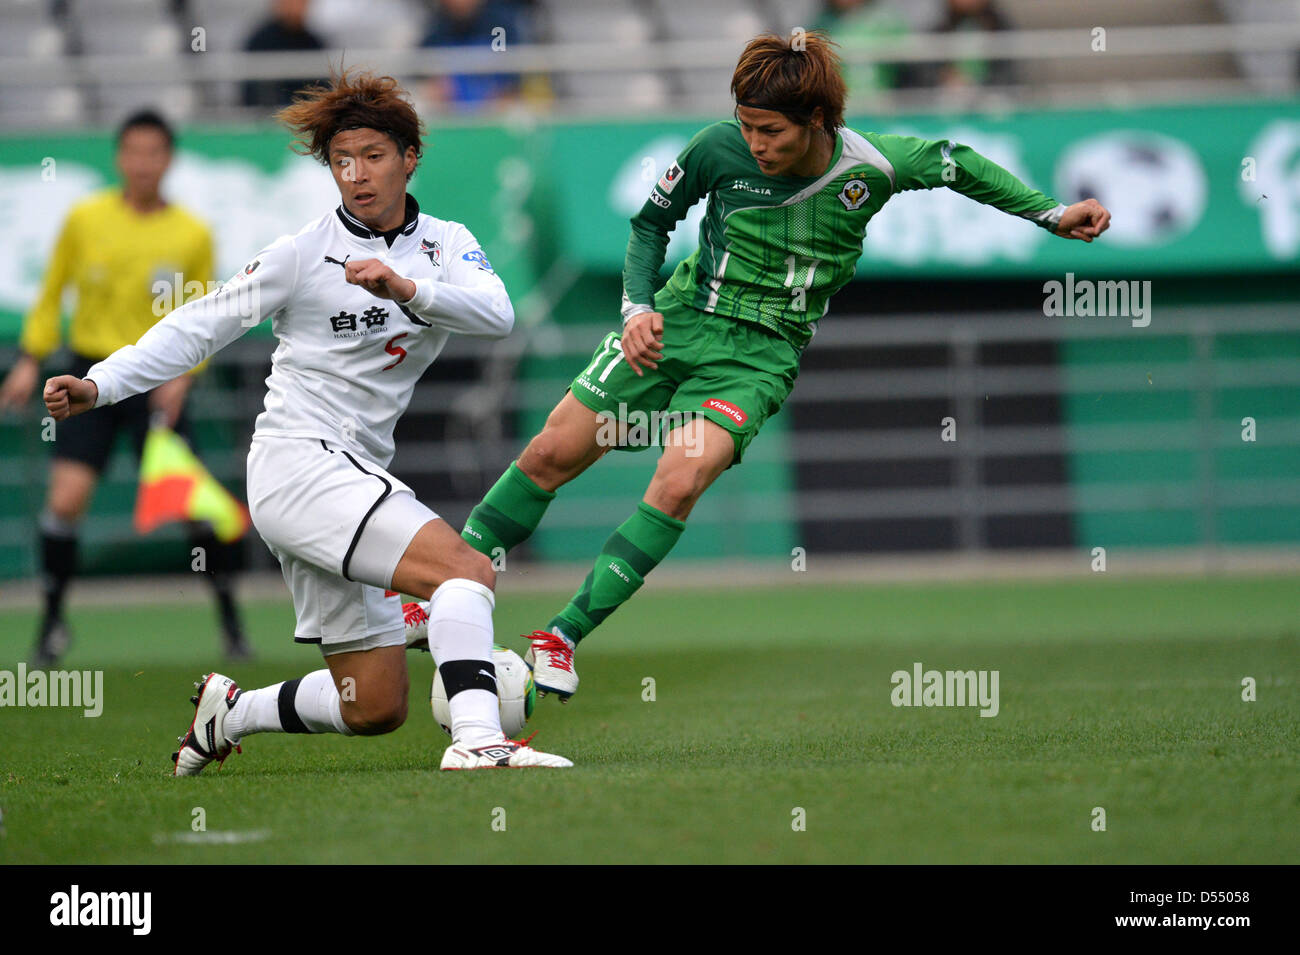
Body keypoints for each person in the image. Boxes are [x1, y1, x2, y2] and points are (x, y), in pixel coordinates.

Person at [407, 31, 1110, 702]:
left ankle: (560, 636)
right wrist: (635, 309)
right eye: (746, 126)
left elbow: (958, 163)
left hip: (758, 358)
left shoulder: (875, 165)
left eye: (770, 130)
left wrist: (1050, 214)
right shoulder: (717, 148)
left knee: (679, 480)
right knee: (550, 451)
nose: (755, 143)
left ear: (816, 120)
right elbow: (651, 225)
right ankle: (442, 590)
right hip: (676, 321)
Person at [42, 71, 571, 772]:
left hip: (349, 473)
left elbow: (497, 314)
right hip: (299, 462)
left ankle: (231, 711)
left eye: (374, 156)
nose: (356, 175)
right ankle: (477, 740)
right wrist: (99, 383)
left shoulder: (446, 244)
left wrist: (405, 287)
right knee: (465, 569)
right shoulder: (303, 252)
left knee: (373, 703)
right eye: (342, 161)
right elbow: (200, 324)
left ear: (410, 157)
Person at [0, 109, 251, 667]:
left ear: (169, 160)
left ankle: (232, 623)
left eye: (154, 153)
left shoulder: (191, 233)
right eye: (133, 152)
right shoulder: (85, 220)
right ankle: (51, 626)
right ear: (120, 158)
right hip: (89, 377)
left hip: (157, 381)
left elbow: (205, 315)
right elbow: (51, 293)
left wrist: (186, 378)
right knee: (65, 501)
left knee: (194, 509)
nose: (143, 163)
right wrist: (29, 359)